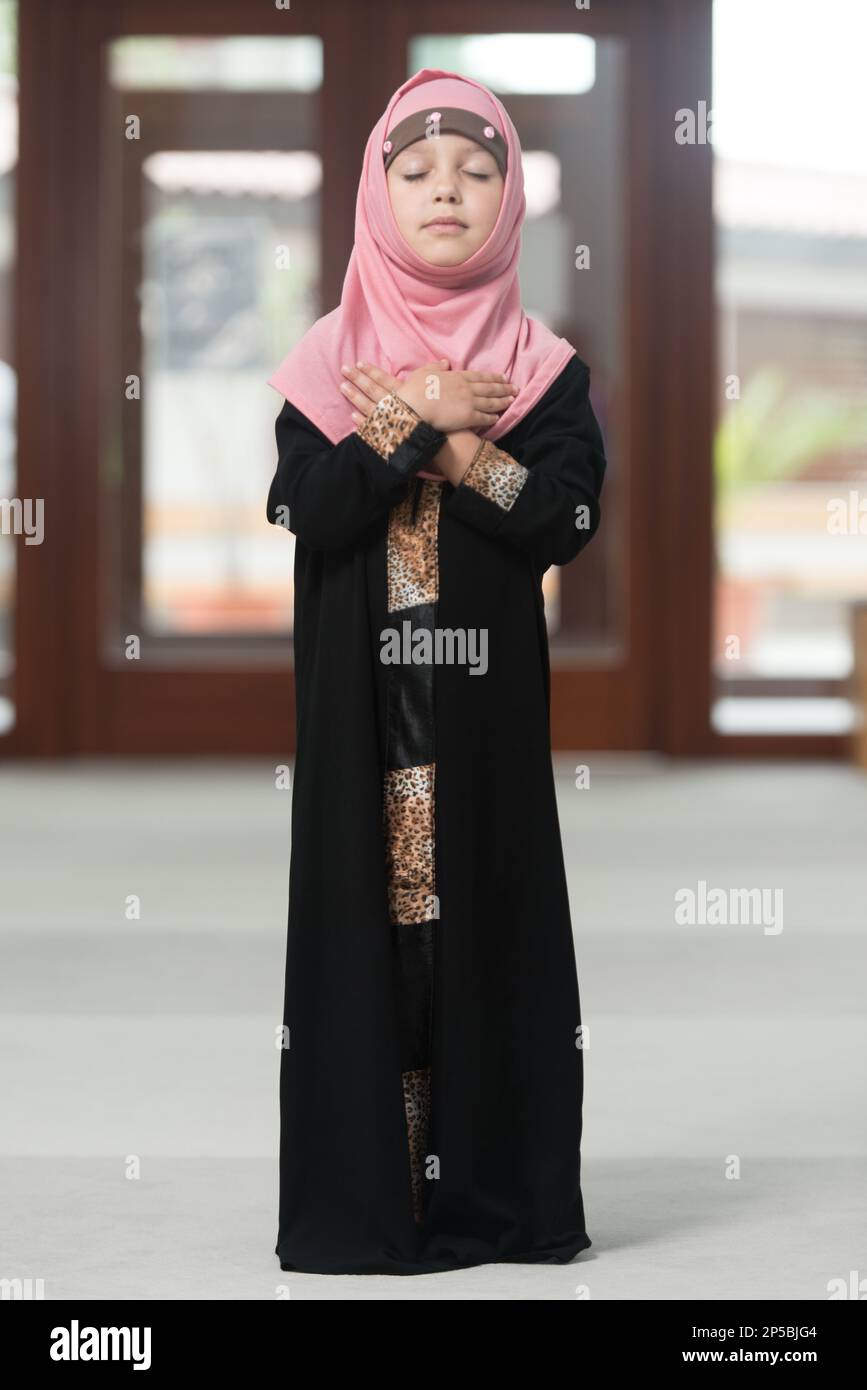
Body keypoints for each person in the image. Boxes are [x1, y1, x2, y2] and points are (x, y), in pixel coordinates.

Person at [265, 67, 607, 1276]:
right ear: (377, 195)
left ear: (512, 202)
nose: (446, 192)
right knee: (368, 939)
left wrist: (465, 452)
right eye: (415, 173)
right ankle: (372, 1208)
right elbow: (310, 508)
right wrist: (404, 413)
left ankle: (497, 1205)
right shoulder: (326, 363)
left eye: (477, 171)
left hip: (483, 721)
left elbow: (565, 521)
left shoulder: (546, 371)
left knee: (492, 927)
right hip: (362, 719)